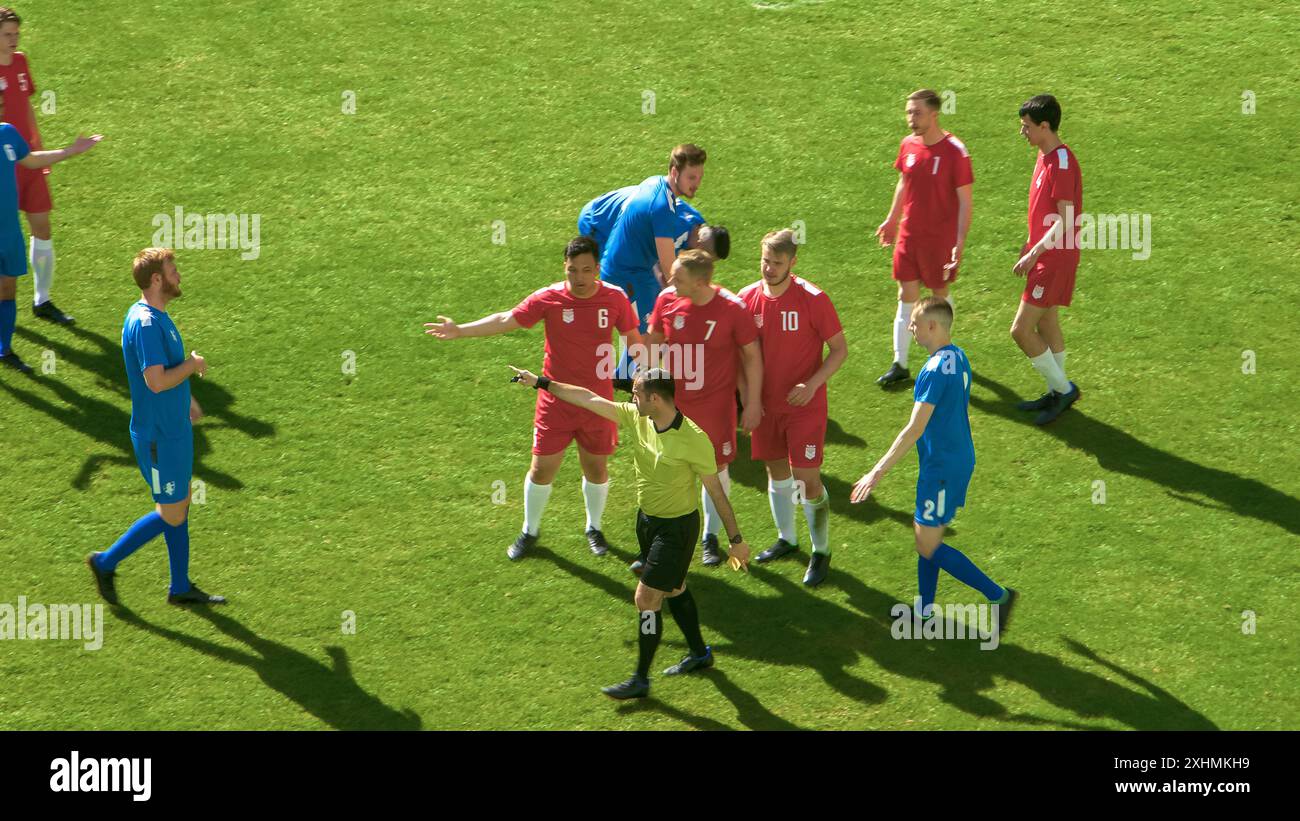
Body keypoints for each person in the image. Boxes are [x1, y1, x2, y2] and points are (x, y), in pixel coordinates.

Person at [508, 365, 751, 700]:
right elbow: (587, 398)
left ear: (655, 398)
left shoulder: (694, 440)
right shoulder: (639, 416)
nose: (629, 396)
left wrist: (736, 541)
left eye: (636, 392)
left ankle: (640, 679)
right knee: (675, 587)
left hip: (677, 529)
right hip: (647, 522)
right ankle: (700, 654)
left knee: (646, 598)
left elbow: (717, 493)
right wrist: (541, 383)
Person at [424, 236, 642, 559]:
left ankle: (593, 528)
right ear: (564, 268)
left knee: (596, 468)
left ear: (597, 269)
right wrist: (460, 330)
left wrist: (642, 382)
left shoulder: (615, 299)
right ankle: (530, 530)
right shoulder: (549, 298)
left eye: (586, 270)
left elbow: (633, 340)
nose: (579, 278)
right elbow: (505, 319)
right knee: (541, 470)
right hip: (554, 400)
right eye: (572, 271)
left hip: (597, 403)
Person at [850, 297, 1016, 630]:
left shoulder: (933, 370)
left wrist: (876, 472)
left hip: (941, 468)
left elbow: (914, 428)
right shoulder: (959, 356)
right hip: (954, 459)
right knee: (927, 536)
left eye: (914, 322)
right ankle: (925, 612)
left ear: (932, 326)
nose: (909, 327)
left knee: (926, 542)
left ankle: (999, 595)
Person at [86, 248, 225, 606]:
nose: (179, 274)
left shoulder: (155, 315)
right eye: (173, 269)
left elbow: (166, 377)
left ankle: (180, 587)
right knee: (172, 511)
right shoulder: (146, 324)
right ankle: (105, 562)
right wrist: (193, 366)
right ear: (157, 280)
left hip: (173, 431)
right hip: (158, 440)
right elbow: (156, 380)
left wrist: (187, 399)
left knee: (180, 503)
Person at [738, 229, 848, 586]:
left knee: (807, 478)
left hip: (804, 406)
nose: (769, 269)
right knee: (775, 471)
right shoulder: (747, 300)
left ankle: (821, 551)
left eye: (777, 263)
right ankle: (787, 538)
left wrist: (812, 385)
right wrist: (748, 402)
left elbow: (839, 349)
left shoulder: (813, 299)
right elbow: (740, 357)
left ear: (793, 263)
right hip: (765, 408)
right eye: (765, 261)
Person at [645, 248, 761, 567]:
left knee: (716, 470)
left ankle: (710, 536)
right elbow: (653, 342)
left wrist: (752, 402)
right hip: (673, 405)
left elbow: (751, 356)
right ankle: (661, 537)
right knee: (666, 468)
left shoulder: (732, 309)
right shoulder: (667, 300)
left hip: (715, 408)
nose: (670, 280)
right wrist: (643, 387)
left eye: (678, 277)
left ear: (700, 282)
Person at [874, 88, 973, 387]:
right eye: (908, 112)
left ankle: (948, 352)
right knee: (906, 296)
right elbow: (904, 182)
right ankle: (900, 363)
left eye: (917, 113)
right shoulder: (908, 145)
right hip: (909, 236)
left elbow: (966, 201)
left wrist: (959, 242)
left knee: (939, 292)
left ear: (934, 114)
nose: (911, 119)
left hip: (939, 241)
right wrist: (892, 219)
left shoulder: (956, 151)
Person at [599, 144, 707, 385]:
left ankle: (626, 378)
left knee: (649, 326)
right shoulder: (663, 208)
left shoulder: (653, 182)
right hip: (625, 275)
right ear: (674, 172)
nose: (696, 183)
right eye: (691, 177)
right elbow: (671, 270)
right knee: (655, 328)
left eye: (699, 177)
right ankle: (638, 385)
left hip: (632, 269)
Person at [0, 120, 99, 373]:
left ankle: (4, 349)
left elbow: (30, 160)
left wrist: (70, 151)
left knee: (8, 290)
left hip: (9, 233)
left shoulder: (8, 132)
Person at [1011, 93, 1082, 425]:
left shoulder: (1062, 164)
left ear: (1045, 126)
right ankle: (1057, 391)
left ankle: (1064, 389)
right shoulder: (1045, 155)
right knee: (1047, 321)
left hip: (1054, 258)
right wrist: (1030, 243)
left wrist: (1035, 253)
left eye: (1026, 126)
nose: (1022, 131)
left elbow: (1066, 220)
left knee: (1021, 330)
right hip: (1044, 252)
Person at [0, 7, 74, 324]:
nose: (14, 39)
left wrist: (38, 143)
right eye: (7, 34)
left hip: (27, 157)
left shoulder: (20, 62)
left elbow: (27, 105)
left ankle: (42, 300)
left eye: (16, 34)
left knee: (42, 227)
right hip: (4, 160)